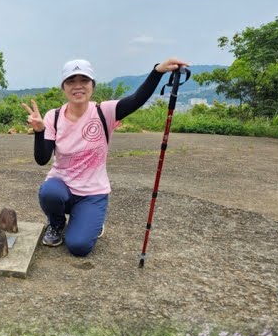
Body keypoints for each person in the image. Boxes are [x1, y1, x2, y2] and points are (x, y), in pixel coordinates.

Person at [21, 57, 190, 257]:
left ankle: (90, 220)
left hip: (92, 192)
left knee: (79, 247)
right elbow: (42, 159)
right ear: (63, 87)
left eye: (83, 80)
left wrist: (157, 72)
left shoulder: (105, 111)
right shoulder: (53, 117)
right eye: (71, 81)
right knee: (49, 191)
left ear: (92, 85)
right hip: (62, 187)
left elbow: (137, 99)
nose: (78, 86)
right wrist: (40, 131)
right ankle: (57, 224)